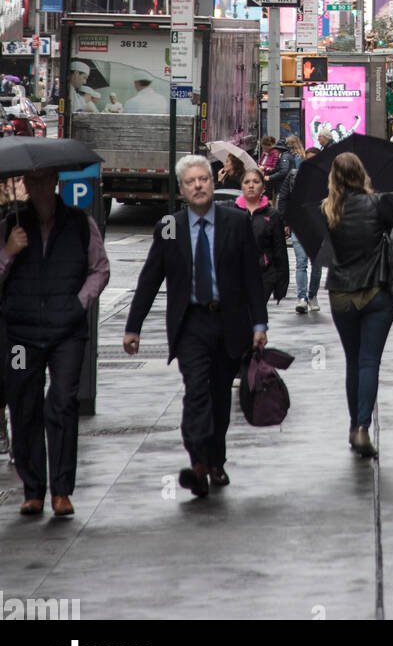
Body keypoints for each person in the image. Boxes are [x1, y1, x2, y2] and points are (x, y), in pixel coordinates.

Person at [123, 154, 267, 498]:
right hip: (190, 322)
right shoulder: (170, 227)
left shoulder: (235, 222)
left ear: (212, 182)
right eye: (191, 182)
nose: (198, 185)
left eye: (203, 179)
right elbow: (149, 279)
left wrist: (259, 324)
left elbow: (252, 278)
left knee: (219, 395)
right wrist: (133, 326)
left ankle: (216, 461)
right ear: (182, 189)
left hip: (229, 321)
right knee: (196, 390)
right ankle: (198, 463)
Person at [1, 168, 110, 517]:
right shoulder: (10, 225)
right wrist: (9, 251)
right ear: (26, 185)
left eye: (45, 180)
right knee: (24, 404)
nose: (38, 186)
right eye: (32, 181)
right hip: (20, 335)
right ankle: (33, 490)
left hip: (66, 332)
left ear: (55, 182)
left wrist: (78, 303)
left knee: (62, 403)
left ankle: (61, 491)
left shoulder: (79, 223)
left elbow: (100, 268)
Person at [319, 153, 393, 457]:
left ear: (334, 177)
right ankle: (362, 427)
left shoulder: (327, 209)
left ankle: (352, 426)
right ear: (362, 173)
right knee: (369, 361)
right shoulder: (379, 203)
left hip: (341, 294)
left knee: (352, 360)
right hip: (377, 290)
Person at [236, 169, 289, 307]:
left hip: (264, 275)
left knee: (255, 312)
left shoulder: (272, 215)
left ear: (263, 187)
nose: (251, 185)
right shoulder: (232, 212)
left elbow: (280, 250)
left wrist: (281, 285)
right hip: (236, 274)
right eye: (247, 182)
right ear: (241, 186)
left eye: (256, 181)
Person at [277, 156, 322, 314]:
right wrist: (286, 221)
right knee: (301, 262)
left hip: (317, 226)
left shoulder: (324, 179)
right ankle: (302, 297)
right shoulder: (293, 176)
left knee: (316, 264)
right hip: (299, 224)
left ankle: (313, 294)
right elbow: (283, 199)